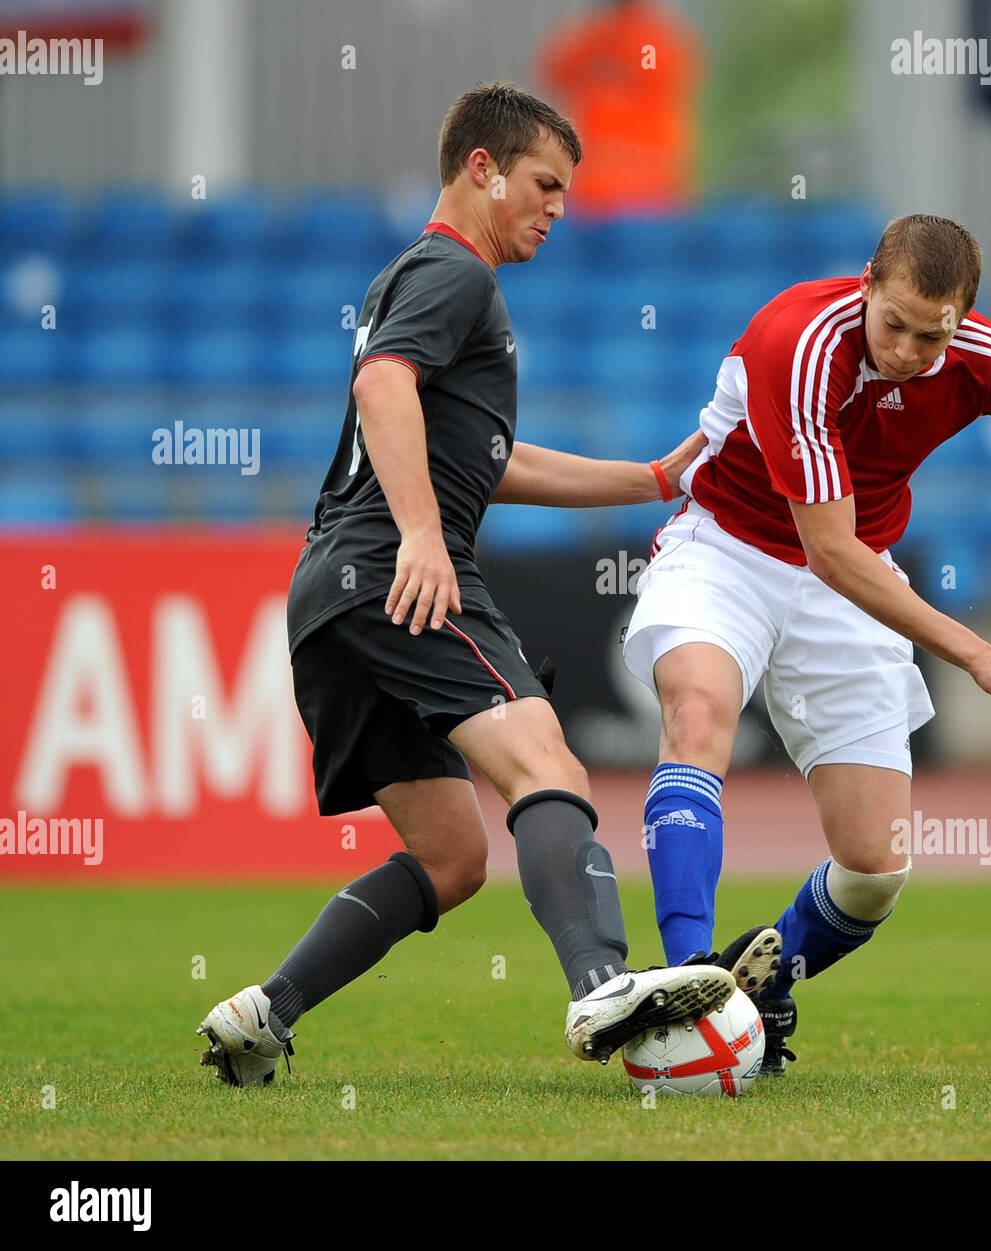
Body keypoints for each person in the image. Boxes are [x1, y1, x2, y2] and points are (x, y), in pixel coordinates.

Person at [196, 81, 748, 1088]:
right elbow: (381, 389)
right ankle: (601, 986)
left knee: (452, 860)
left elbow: (479, 458)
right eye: (543, 183)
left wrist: (650, 480)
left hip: (331, 591)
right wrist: (420, 537)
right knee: (549, 766)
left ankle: (264, 1013)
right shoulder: (457, 275)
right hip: (392, 573)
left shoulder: (416, 280)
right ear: (480, 169)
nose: (558, 206)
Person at [622, 213, 991, 1076]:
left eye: (934, 333)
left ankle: (749, 990)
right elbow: (827, 550)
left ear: (966, 316)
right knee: (697, 713)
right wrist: (979, 654)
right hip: (729, 548)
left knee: (875, 868)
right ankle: (687, 969)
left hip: (853, 571)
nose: (911, 350)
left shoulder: (984, 353)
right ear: (869, 280)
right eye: (896, 324)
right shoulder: (799, 344)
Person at [537, 0, 703, 217]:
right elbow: (555, 69)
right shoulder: (594, 41)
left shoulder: (652, 42)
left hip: (646, 193)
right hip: (596, 192)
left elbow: (660, 71)